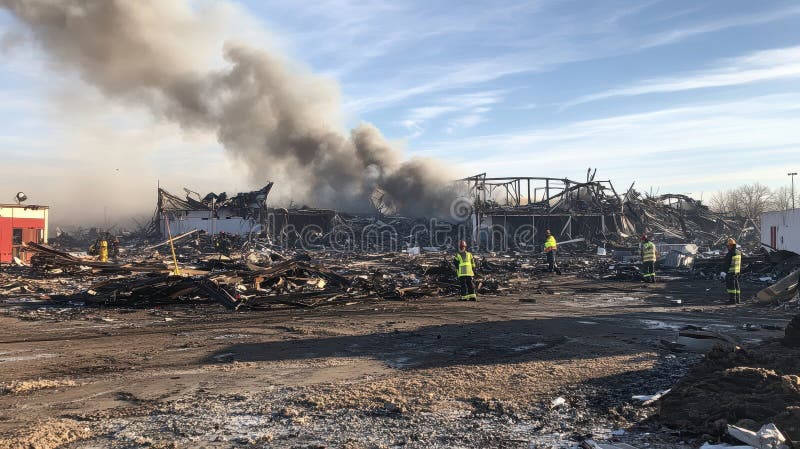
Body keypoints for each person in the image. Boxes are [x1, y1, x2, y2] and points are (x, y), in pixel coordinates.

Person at [721, 238, 742, 304]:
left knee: (731, 287)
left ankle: (732, 300)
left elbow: (727, 264)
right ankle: (738, 300)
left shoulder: (730, 253)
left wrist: (724, 272)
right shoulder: (738, 252)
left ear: (732, 245)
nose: (728, 247)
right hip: (737, 272)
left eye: (729, 246)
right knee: (736, 286)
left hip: (730, 272)